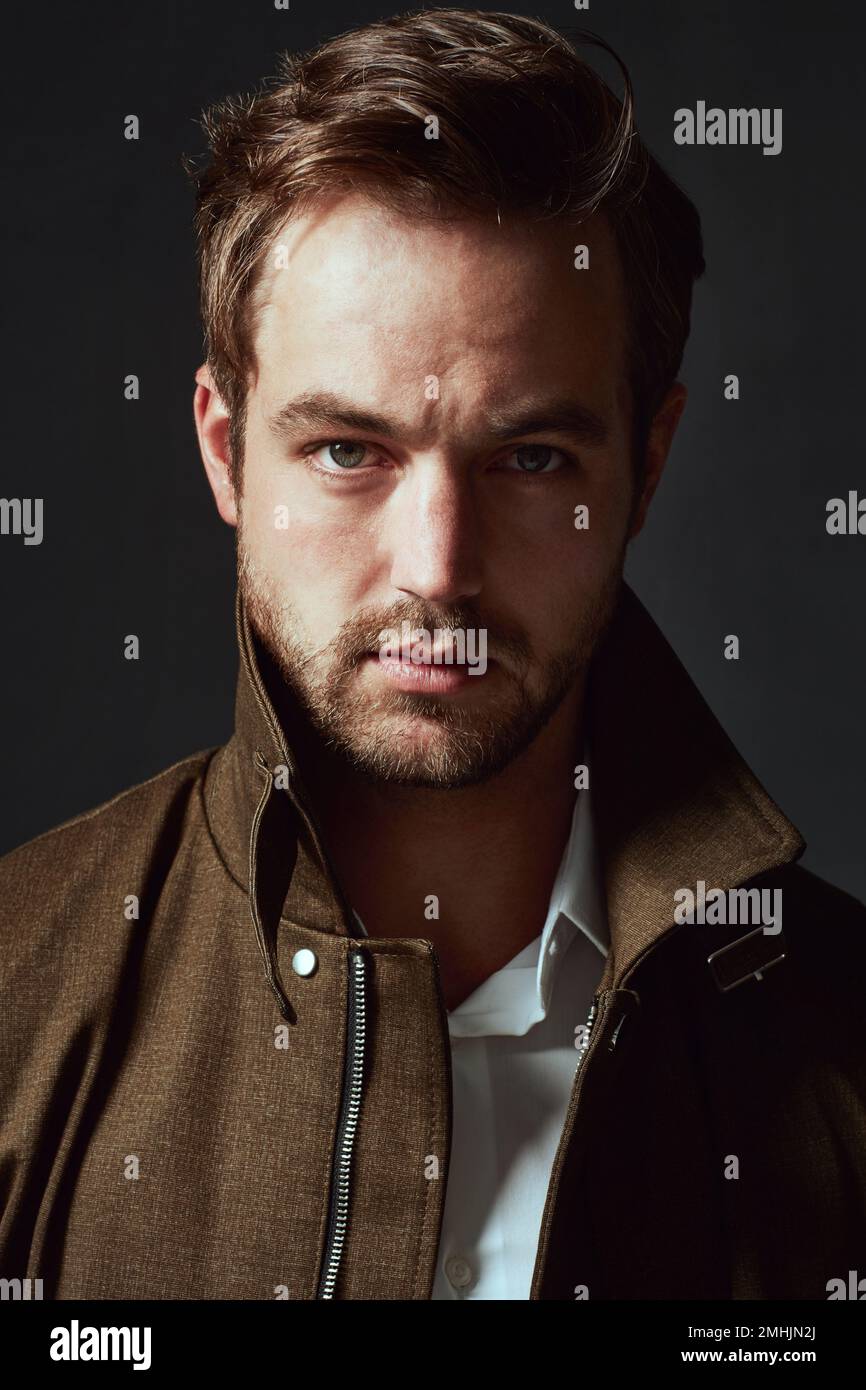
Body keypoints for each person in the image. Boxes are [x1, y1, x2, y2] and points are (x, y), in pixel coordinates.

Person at [1, 7, 864, 1302]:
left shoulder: (838, 1050)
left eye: (528, 458)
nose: (436, 564)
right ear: (226, 450)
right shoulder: (18, 997)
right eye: (347, 450)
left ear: (649, 461)